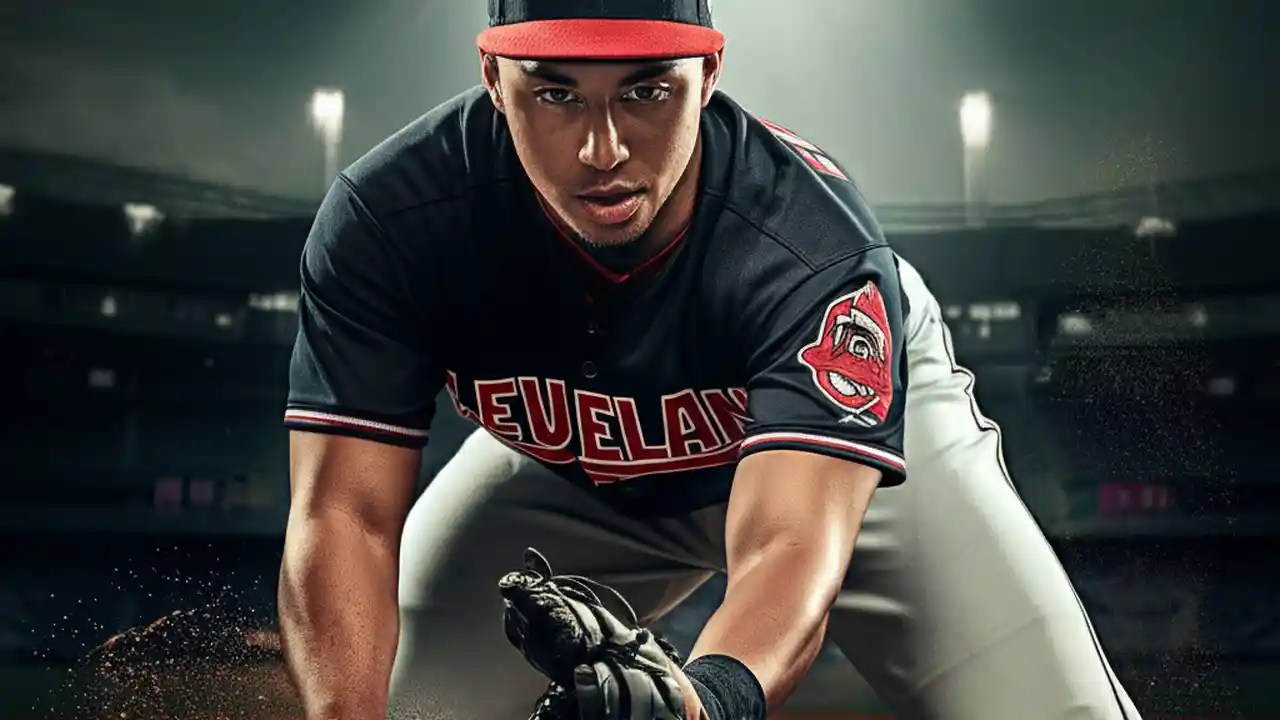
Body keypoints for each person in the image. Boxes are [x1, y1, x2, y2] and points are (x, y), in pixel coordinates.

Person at [277, 1, 1145, 718]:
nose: (602, 149)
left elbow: (788, 543)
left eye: (646, 89)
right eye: (556, 92)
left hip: (853, 478)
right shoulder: (392, 221)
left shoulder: (808, 245)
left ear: (710, 73)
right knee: (403, 705)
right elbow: (344, 515)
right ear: (495, 79)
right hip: (575, 467)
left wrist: (705, 703)